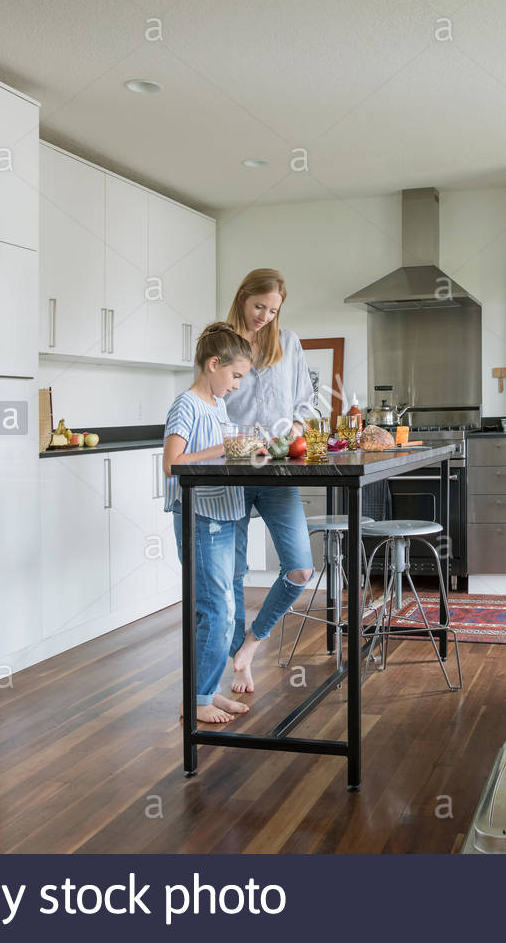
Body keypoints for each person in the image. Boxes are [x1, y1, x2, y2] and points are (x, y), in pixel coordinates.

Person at [222, 268, 317, 693]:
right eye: (258, 306)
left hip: (277, 472)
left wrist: (295, 427)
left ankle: (252, 641)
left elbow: (307, 403)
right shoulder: (221, 343)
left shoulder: (288, 343)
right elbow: (209, 401)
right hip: (233, 472)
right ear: (243, 297)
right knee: (232, 573)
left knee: (299, 568)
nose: (264, 316)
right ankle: (235, 660)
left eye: (272, 310)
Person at [162, 322, 255, 725]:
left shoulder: (217, 405)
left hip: (223, 513)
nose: (237, 385)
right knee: (217, 610)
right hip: (201, 517)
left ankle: (206, 690)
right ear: (214, 364)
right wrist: (224, 448)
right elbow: (172, 463)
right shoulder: (187, 405)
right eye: (235, 376)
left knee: (222, 609)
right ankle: (197, 700)